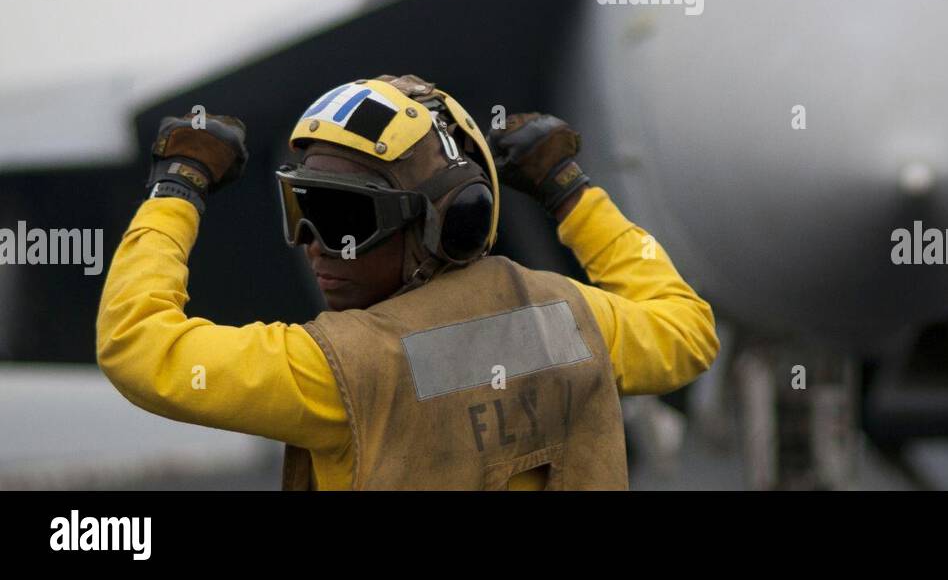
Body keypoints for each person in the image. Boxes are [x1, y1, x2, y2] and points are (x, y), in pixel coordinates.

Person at [97, 74, 719, 490]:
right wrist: (570, 192)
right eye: (300, 209)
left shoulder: (336, 371)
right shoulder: (575, 321)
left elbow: (139, 346)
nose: (314, 243)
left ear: (448, 225)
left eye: (343, 218)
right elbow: (688, 330)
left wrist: (177, 186)